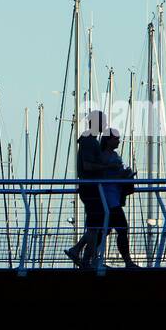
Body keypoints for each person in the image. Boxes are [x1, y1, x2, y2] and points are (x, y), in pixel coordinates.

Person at [65, 110, 107, 268]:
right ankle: (86, 257)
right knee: (95, 226)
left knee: (95, 226)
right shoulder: (90, 142)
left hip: (90, 188)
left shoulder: (89, 140)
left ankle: (84, 256)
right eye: (103, 122)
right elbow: (87, 166)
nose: (106, 125)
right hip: (90, 189)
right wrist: (106, 166)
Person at [97, 128, 140, 269]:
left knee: (106, 229)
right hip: (109, 198)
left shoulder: (114, 154)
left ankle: (87, 256)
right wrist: (122, 175)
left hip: (115, 195)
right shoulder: (103, 156)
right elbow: (104, 176)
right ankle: (127, 261)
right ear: (108, 140)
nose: (119, 141)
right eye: (116, 138)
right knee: (122, 228)